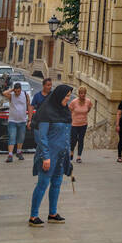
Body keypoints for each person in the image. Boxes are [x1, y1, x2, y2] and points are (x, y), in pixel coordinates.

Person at [28, 84, 73, 227]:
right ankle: (33, 216)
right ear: (59, 96)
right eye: (66, 96)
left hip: (61, 155)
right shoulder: (46, 112)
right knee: (43, 184)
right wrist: (46, 157)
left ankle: (52, 213)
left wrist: (69, 155)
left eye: (69, 95)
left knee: (57, 184)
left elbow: (67, 135)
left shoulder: (65, 112)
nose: (69, 98)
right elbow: (42, 137)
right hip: (48, 155)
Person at [2, 81, 29, 162]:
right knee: (12, 137)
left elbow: (28, 105)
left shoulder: (25, 95)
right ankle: (10, 155)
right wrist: (12, 90)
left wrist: (29, 118)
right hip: (12, 121)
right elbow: (4, 93)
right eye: (16, 91)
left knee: (21, 138)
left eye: (18, 91)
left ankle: (19, 152)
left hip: (22, 120)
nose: (17, 93)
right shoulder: (12, 96)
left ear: (21, 90)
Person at [68, 86, 92, 162]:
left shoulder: (88, 101)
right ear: (79, 94)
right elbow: (69, 111)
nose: (83, 95)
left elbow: (89, 109)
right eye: (81, 93)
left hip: (83, 124)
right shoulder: (74, 102)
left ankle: (79, 156)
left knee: (81, 140)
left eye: (84, 93)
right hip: (74, 124)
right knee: (73, 140)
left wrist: (83, 115)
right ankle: (71, 152)